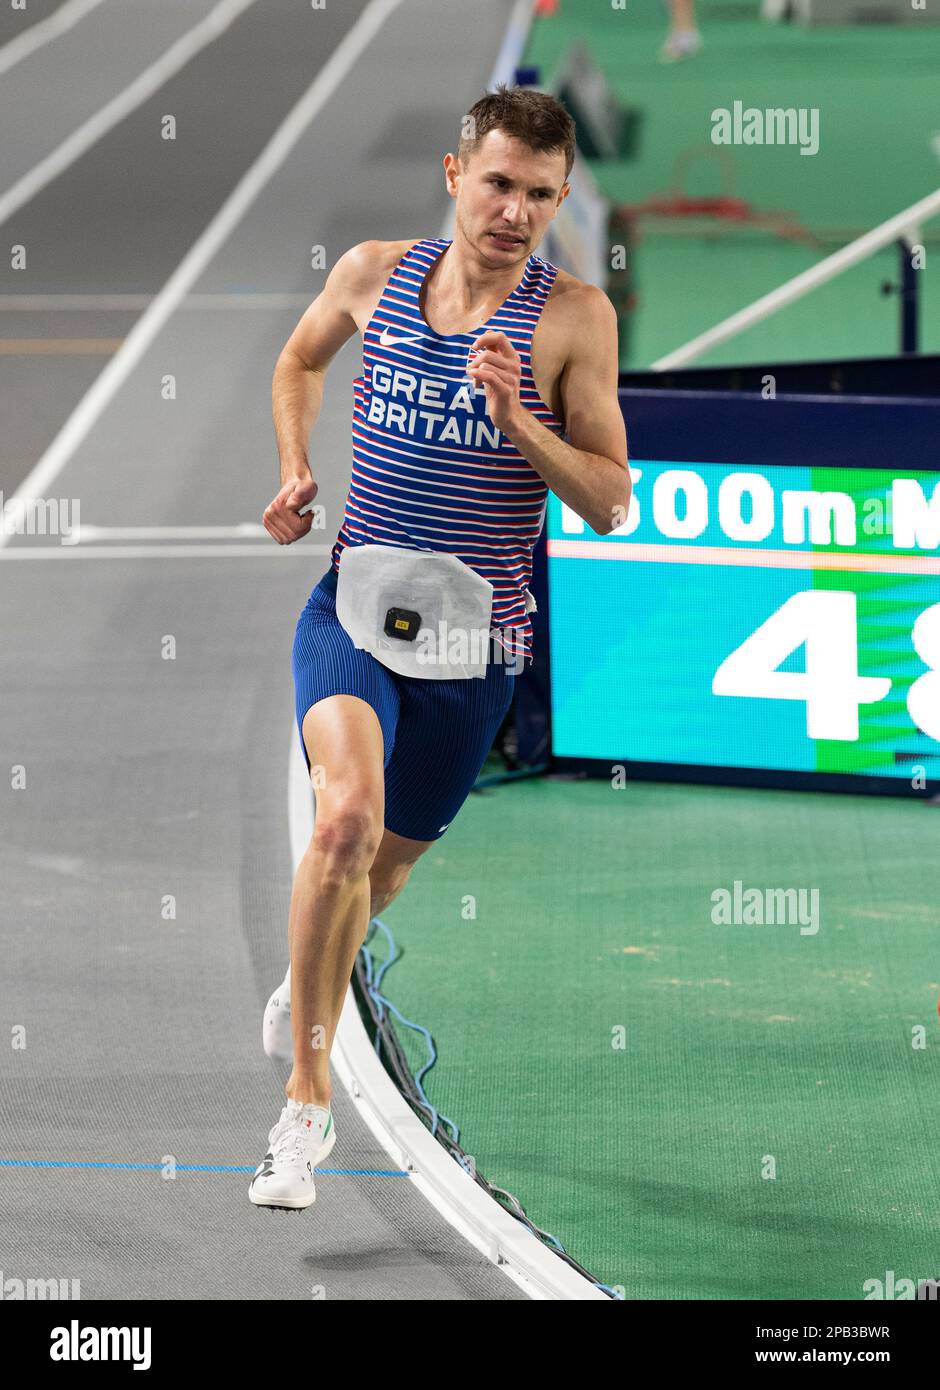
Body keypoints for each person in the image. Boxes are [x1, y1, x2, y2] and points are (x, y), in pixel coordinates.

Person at [250, 84, 630, 1210]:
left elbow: (610, 499)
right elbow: (298, 362)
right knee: (343, 822)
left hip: (476, 643)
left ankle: (306, 975)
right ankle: (306, 1104)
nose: (516, 211)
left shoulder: (573, 322)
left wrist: (519, 422)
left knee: (385, 867)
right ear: (457, 175)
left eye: (541, 195)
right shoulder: (374, 271)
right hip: (353, 610)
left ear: (561, 200)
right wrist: (292, 465)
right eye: (500, 183)